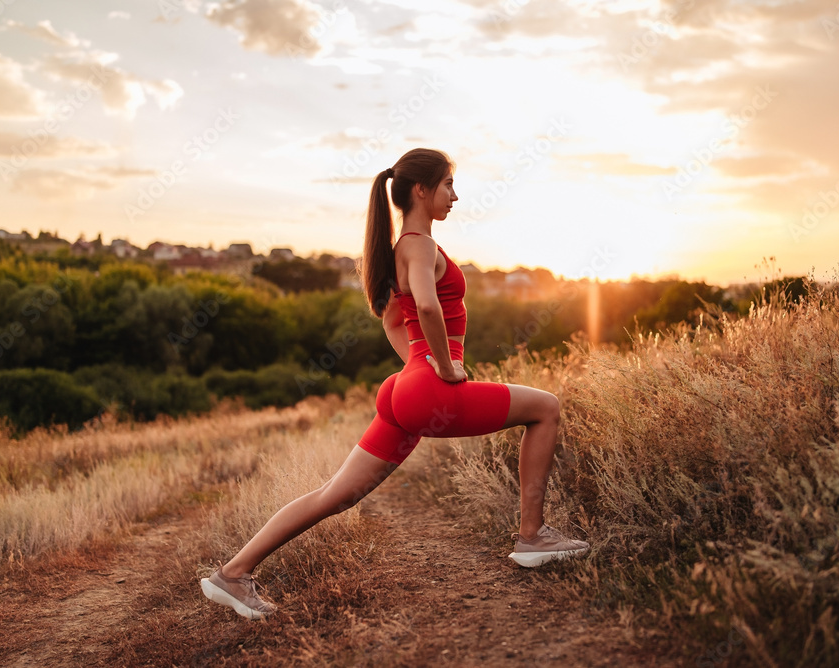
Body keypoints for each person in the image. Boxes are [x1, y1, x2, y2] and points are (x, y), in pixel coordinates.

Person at [200, 148, 589, 620]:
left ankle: (234, 573)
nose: (455, 196)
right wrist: (442, 368)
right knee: (546, 407)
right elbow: (426, 307)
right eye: (448, 185)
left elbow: (391, 320)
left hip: (403, 389)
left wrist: (417, 364)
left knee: (333, 495)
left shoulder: (400, 247)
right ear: (422, 191)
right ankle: (532, 537)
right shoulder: (419, 244)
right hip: (425, 389)